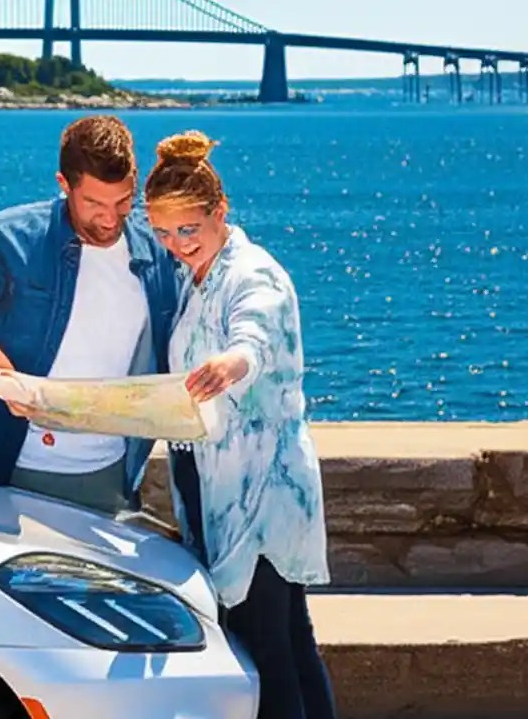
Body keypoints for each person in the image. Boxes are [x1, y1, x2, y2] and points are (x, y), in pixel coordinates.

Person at [143, 129, 335, 719]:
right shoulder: (197, 275)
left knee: (266, 653)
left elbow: (253, 334)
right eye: (163, 232)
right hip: (221, 484)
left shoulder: (253, 274)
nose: (176, 244)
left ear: (220, 213)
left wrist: (232, 363)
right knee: (289, 643)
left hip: (261, 494)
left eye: (188, 230)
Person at [0, 114, 180, 514]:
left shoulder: (157, 249)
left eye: (123, 202)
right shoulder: (8, 236)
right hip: (14, 473)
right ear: (64, 184)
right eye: (94, 203)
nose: (110, 219)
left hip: (113, 476)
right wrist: (7, 382)